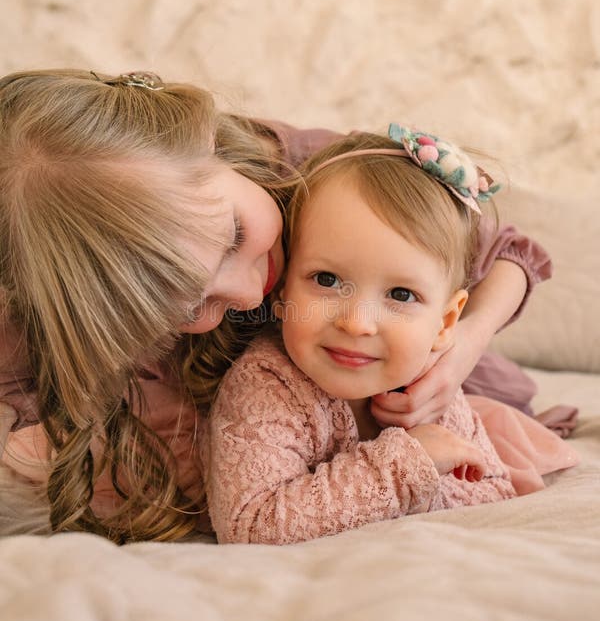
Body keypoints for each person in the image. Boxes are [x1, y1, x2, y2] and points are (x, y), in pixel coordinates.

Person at [0, 69, 554, 543]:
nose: (248, 292)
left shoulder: (315, 172)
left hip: (430, 380)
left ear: (215, 146)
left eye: (236, 234)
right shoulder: (69, 318)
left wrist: (462, 345)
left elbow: (502, 251)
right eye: (191, 302)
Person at [206, 130, 578, 544]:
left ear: (446, 321)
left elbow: (491, 492)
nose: (357, 323)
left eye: (401, 294)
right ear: (282, 291)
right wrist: (407, 464)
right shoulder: (267, 386)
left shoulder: (429, 383)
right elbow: (251, 526)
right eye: (326, 280)